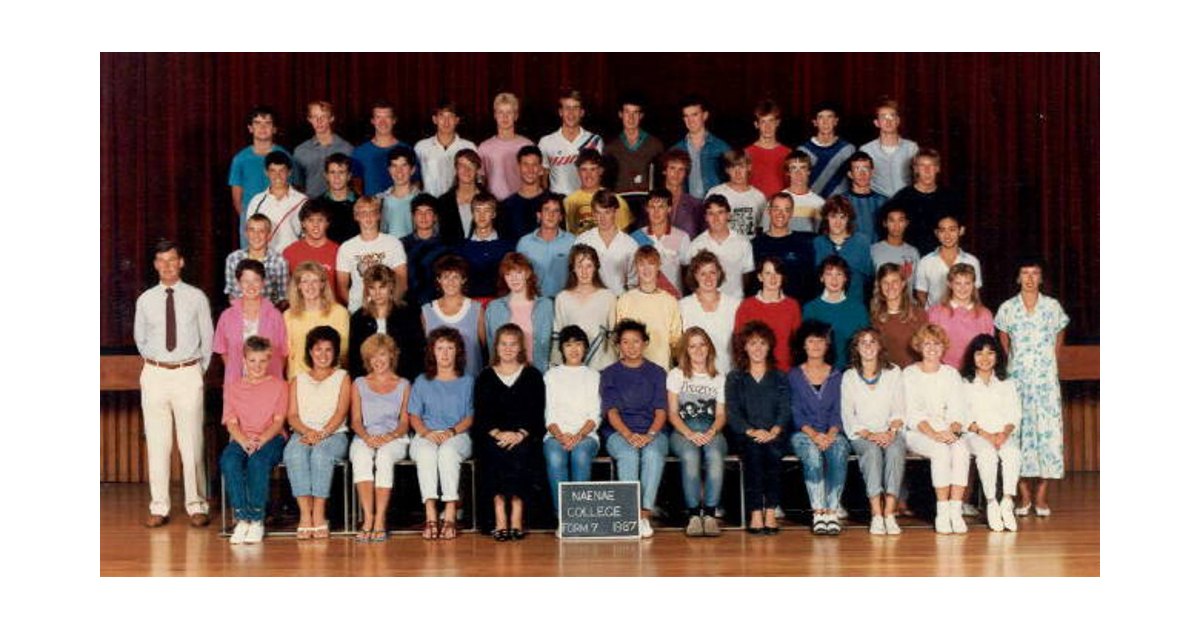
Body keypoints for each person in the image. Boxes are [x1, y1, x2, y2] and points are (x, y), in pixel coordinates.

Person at [134, 240, 213, 528]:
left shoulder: (196, 298)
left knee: (191, 442)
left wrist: (194, 371)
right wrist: (158, 365)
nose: (167, 265)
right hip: (155, 373)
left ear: (181, 262)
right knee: (158, 443)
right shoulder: (145, 300)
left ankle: (196, 504)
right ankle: (159, 505)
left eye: (172, 259)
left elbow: (208, 339)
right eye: (161, 260)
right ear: (155, 264)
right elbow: (140, 340)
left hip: (187, 372)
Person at [994, 257, 1069, 517]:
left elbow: (1060, 331)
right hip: (1018, 381)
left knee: (1048, 435)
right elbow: (1003, 335)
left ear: (1041, 278)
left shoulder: (1052, 307)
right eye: (1024, 273)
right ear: (1018, 277)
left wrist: (1052, 358)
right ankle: (1023, 496)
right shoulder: (1007, 308)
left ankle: (1041, 496)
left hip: (1046, 381)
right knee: (1019, 433)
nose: (1029, 278)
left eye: (1034, 273)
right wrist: (1013, 359)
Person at [473, 324, 546, 541]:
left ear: (520, 347)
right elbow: (481, 413)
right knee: (492, 452)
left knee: (521, 452)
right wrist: (498, 433)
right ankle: (499, 516)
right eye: (503, 344)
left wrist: (520, 434)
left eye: (513, 344)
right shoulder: (485, 376)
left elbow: (537, 412)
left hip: (524, 435)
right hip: (492, 435)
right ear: (495, 347)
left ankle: (516, 514)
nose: (507, 348)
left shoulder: (532, 375)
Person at [600, 319, 669, 539]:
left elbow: (661, 411)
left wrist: (649, 435)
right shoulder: (609, 373)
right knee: (629, 455)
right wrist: (629, 435)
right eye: (625, 342)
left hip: (653, 431)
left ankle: (644, 515)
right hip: (618, 432)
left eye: (636, 341)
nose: (631, 347)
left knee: (653, 455)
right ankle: (628, 515)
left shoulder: (657, 372)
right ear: (618, 345)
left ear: (645, 343)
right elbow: (611, 412)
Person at [284, 325, 351, 539]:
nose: (322, 355)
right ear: (310, 351)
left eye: (328, 350)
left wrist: (321, 434)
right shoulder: (297, 380)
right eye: (318, 349)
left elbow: (341, 412)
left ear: (335, 352)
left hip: (334, 434)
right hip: (302, 432)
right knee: (294, 453)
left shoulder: (343, 377)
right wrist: (307, 432)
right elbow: (292, 416)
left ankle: (319, 514)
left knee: (321, 454)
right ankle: (305, 514)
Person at [219, 335, 289, 544]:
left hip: (271, 438)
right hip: (241, 439)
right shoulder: (233, 387)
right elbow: (231, 422)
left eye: (262, 361)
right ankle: (242, 519)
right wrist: (244, 441)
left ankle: (257, 519)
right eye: (252, 361)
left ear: (269, 360)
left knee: (257, 462)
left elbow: (278, 421)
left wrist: (260, 441)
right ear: (244, 360)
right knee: (229, 461)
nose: (257, 366)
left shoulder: (280, 386)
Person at [408, 327, 475, 540]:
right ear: (432, 352)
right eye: (440, 348)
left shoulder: (468, 381)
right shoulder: (421, 380)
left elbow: (470, 416)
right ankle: (430, 515)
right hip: (426, 434)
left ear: (458, 352)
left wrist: (451, 431)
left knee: (447, 453)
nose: (445, 353)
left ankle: (450, 515)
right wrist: (426, 433)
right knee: (427, 454)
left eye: (450, 348)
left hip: (457, 435)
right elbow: (414, 416)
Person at [902, 323, 969, 534]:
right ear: (919, 347)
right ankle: (942, 511)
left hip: (946, 429)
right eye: (927, 343)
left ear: (944, 347)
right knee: (941, 451)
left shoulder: (951, 374)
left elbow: (958, 410)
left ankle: (955, 511)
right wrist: (934, 434)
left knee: (961, 450)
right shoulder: (909, 374)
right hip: (917, 431)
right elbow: (912, 413)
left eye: (937, 344)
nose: (932, 348)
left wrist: (953, 431)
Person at [725, 321, 790, 535]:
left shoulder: (779, 376)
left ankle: (770, 510)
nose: (758, 348)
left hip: (774, 434)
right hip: (745, 435)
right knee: (753, 452)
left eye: (762, 343)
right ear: (744, 346)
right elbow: (733, 414)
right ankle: (755, 512)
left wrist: (774, 430)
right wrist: (752, 432)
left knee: (772, 451)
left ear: (769, 346)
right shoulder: (734, 377)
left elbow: (784, 409)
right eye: (752, 343)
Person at [841, 327, 906, 535]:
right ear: (856, 348)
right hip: (862, 434)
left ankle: (890, 514)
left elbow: (899, 407)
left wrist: (891, 431)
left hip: (890, 431)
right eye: (863, 342)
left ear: (880, 347)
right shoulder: (849, 376)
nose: (868, 346)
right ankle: (876, 514)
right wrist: (870, 435)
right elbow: (848, 416)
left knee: (895, 451)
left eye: (872, 342)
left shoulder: (894, 372)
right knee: (872, 453)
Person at [787, 321, 849, 535]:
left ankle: (832, 512)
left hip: (833, 432)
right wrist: (814, 435)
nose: (815, 345)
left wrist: (831, 434)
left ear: (827, 346)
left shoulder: (837, 375)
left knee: (840, 450)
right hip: (803, 433)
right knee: (812, 455)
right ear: (803, 345)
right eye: (810, 341)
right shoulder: (794, 375)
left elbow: (839, 411)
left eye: (820, 341)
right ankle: (818, 513)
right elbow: (795, 412)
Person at [348, 334, 411, 541]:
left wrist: (389, 437)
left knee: (384, 458)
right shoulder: (359, 383)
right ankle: (368, 517)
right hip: (365, 436)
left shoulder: (404, 384)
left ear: (392, 355)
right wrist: (367, 438)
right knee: (360, 457)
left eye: (382, 354)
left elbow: (404, 423)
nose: (378, 360)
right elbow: (356, 420)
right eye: (372, 356)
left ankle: (380, 519)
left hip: (394, 438)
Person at [667, 327, 728, 537]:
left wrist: (711, 432)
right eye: (692, 346)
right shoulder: (676, 375)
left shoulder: (719, 378)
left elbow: (721, 415)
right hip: (683, 430)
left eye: (702, 344)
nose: (698, 349)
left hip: (711, 428)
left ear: (709, 347)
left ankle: (710, 515)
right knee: (690, 455)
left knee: (714, 455)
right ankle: (694, 515)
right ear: (685, 350)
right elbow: (673, 413)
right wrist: (689, 434)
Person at [960, 334, 1021, 532]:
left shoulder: (1006, 383)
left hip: (1003, 434)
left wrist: (1003, 434)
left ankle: (1007, 502)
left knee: (1012, 453)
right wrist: (987, 435)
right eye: (979, 353)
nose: (985, 358)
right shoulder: (964, 383)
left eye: (990, 353)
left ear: (997, 356)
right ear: (972, 356)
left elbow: (1014, 414)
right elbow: (963, 417)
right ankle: (992, 503)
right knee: (987, 455)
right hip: (976, 435)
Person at [543, 325, 603, 521]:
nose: (574, 349)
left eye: (578, 344)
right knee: (555, 456)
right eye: (568, 345)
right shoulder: (551, 375)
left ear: (585, 347)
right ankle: (564, 518)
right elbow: (549, 415)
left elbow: (595, 415)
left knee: (580, 454)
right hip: (556, 435)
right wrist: (561, 436)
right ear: (561, 349)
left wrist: (578, 436)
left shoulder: (593, 376)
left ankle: (580, 517)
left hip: (586, 436)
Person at [214, 259, 289, 390]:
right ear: (238, 284)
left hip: (269, 384)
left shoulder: (275, 316)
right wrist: (236, 374)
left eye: (256, 280)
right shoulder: (227, 316)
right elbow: (223, 351)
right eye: (245, 281)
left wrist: (269, 377)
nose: (251, 286)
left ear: (263, 283)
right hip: (237, 384)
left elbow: (283, 352)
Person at [348, 264, 425, 381]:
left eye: (382, 287)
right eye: (372, 288)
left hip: (404, 378)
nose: (377, 293)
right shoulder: (358, 318)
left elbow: (417, 354)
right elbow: (354, 359)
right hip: (368, 381)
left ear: (391, 286)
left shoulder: (408, 314)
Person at [229, 106, 291, 249]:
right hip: (252, 218)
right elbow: (237, 198)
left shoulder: (285, 156)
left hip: (280, 218)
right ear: (250, 128)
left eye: (268, 123)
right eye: (257, 123)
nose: (262, 127)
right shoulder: (241, 159)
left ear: (274, 129)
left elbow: (292, 189)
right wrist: (250, 219)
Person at [335, 196, 408, 312]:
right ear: (356, 217)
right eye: (363, 213)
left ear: (378, 215)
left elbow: (402, 281)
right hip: (358, 309)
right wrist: (356, 309)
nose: (368, 217)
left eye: (372, 212)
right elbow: (342, 286)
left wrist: (392, 306)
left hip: (388, 310)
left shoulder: (393, 243)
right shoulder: (346, 247)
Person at [614, 246, 682, 369]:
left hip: (660, 370)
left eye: (651, 264)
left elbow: (676, 342)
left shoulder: (670, 302)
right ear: (636, 267)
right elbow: (618, 339)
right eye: (641, 264)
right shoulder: (624, 300)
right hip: (629, 371)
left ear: (658, 266)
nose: (646, 269)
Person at [485, 252, 554, 372]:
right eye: (508, 274)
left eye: (518, 272)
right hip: (504, 375)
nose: (514, 279)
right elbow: (492, 348)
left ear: (527, 274)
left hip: (538, 373)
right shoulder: (494, 308)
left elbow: (553, 345)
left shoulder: (546, 306)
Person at [884, 148, 961, 255]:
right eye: (922, 166)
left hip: (940, 258)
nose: (927, 170)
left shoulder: (949, 197)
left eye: (931, 165)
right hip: (909, 258)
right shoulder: (902, 198)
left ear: (937, 168)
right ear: (915, 169)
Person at [552, 244, 617, 369]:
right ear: (573, 269)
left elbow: (614, 338)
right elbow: (558, 339)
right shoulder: (563, 298)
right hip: (574, 367)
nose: (584, 272)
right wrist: (556, 367)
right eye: (579, 266)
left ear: (595, 268)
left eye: (589, 266)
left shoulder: (608, 297)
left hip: (604, 365)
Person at [421, 254, 487, 377]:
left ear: (463, 279)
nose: (450, 282)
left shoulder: (477, 309)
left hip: (472, 381)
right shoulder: (427, 311)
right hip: (439, 385)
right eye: (446, 277)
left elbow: (486, 349)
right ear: (438, 280)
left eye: (456, 277)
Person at [284, 261, 350, 379]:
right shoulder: (288, 315)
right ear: (298, 286)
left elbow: (343, 352)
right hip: (298, 379)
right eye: (305, 281)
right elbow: (287, 353)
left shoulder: (340, 313)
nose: (310, 286)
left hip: (331, 378)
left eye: (315, 281)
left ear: (322, 284)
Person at [802, 255, 870, 369]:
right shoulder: (810, 309)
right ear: (821, 278)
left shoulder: (859, 309)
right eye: (829, 274)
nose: (834, 280)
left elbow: (866, 346)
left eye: (839, 274)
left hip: (851, 373)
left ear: (845, 278)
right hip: (818, 373)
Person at [735, 256, 803, 369]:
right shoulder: (747, 306)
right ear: (760, 277)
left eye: (777, 273)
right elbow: (739, 343)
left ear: (782, 277)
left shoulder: (792, 306)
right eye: (768, 273)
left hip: (784, 371)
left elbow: (798, 343)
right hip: (755, 372)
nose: (773, 278)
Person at [679, 251, 740, 373]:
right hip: (694, 378)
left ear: (719, 274)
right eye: (703, 274)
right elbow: (680, 347)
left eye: (712, 272)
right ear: (695, 276)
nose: (708, 278)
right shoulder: (683, 306)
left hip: (727, 374)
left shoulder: (735, 305)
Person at [750, 192, 817, 301]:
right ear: (769, 211)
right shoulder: (755, 244)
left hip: (795, 310)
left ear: (791, 213)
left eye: (786, 209)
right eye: (776, 209)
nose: (780, 214)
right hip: (763, 310)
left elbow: (810, 284)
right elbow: (751, 285)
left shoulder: (803, 244)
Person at [686, 194, 755, 298]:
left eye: (720, 212)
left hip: (735, 304)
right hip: (706, 305)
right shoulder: (696, 245)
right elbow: (691, 280)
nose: (716, 218)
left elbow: (747, 278)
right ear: (705, 217)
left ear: (728, 215)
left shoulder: (743, 243)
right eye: (711, 214)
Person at [927, 263, 994, 369]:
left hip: (974, 372)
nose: (963, 288)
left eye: (967, 283)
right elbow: (929, 347)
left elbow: (988, 350)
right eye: (958, 283)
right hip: (943, 371)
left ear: (974, 284)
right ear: (950, 284)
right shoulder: (935, 312)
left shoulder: (985, 315)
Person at [539, 88, 604, 195]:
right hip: (558, 205)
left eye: (575, 108)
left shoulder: (595, 140)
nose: (571, 113)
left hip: (586, 201)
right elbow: (543, 177)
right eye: (567, 108)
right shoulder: (546, 142)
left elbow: (599, 176)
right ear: (560, 112)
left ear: (582, 112)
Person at [812, 195, 874, 304]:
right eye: (833, 216)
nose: (838, 222)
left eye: (842, 217)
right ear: (826, 217)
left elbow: (869, 281)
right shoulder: (817, 243)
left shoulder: (862, 242)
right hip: (824, 308)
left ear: (849, 219)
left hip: (854, 307)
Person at [631, 187, 692, 297]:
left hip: (673, 298)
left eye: (661, 207)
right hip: (644, 298)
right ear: (646, 209)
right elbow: (631, 274)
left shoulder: (682, 237)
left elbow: (688, 275)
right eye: (652, 207)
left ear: (669, 209)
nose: (656, 212)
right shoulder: (635, 238)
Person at [575, 190, 638, 294]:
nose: (602, 218)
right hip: (590, 301)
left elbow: (634, 281)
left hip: (619, 301)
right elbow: (575, 276)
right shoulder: (582, 240)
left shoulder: (630, 244)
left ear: (615, 212)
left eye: (607, 212)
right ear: (593, 214)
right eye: (598, 213)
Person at [913, 213, 981, 309]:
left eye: (952, 230)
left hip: (964, 318)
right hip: (934, 320)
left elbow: (975, 294)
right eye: (942, 231)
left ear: (961, 231)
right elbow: (921, 294)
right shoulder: (925, 262)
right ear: (936, 233)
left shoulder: (972, 261)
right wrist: (933, 314)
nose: (947, 235)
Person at [245, 150, 307, 254]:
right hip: (266, 259)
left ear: (289, 172)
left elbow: (306, 235)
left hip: (292, 258)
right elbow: (250, 233)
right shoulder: (256, 201)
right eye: (273, 171)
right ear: (266, 172)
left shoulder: (302, 201)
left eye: (282, 171)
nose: (277, 176)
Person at [515, 194, 576, 298]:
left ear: (561, 217)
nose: (551, 215)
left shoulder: (572, 241)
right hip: (534, 302)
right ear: (539, 215)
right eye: (546, 210)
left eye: (556, 211)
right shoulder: (524, 243)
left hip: (565, 301)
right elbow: (518, 276)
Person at [457, 192, 516, 299]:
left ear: (494, 214)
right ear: (472, 214)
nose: (482, 215)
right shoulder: (462, 248)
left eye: (487, 210)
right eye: (477, 210)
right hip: (470, 304)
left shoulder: (508, 247)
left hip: (500, 304)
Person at [224, 213, 290, 307]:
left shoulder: (279, 262)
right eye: (252, 230)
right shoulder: (233, 259)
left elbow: (283, 298)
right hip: (240, 315)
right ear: (246, 233)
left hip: (269, 316)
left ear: (269, 235)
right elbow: (232, 294)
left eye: (261, 231)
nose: (256, 235)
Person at [604, 91, 664, 193]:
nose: (631, 118)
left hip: (648, 203)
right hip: (620, 203)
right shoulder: (611, 148)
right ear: (620, 114)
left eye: (635, 112)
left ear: (641, 116)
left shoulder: (655, 145)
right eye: (627, 112)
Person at [672, 95, 732, 198]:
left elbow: (732, 179)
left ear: (705, 116)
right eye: (686, 116)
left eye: (694, 115)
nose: (690, 120)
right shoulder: (676, 150)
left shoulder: (721, 147)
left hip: (713, 207)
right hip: (687, 206)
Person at [478, 92, 534, 201]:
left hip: (521, 203)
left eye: (509, 112)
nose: (505, 117)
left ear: (516, 116)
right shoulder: (484, 148)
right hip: (494, 205)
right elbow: (481, 182)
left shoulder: (527, 145)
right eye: (500, 112)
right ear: (495, 115)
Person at [414, 100, 477, 197]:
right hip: (430, 206)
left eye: (450, 116)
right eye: (441, 116)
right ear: (435, 119)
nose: (446, 121)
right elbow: (415, 180)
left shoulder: (469, 146)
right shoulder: (421, 147)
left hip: (459, 203)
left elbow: (477, 179)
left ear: (457, 120)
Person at [870, 262, 928, 369]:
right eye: (885, 282)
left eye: (895, 282)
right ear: (879, 285)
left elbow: (926, 350)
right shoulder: (874, 316)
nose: (890, 287)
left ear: (903, 284)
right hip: (885, 375)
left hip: (912, 375)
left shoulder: (919, 315)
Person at [400, 193, 452, 308]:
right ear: (413, 217)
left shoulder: (446, 246)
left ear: (435, 217)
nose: (423, 217)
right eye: (419, 213)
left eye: (428, 212)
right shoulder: (402, 245)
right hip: (409, 305)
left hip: (440, 304)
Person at [859, 97, 919, 198]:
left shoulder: (911, 148)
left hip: (905, 202)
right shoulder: (866, 150)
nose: (888, 121)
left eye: (892, 116)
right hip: (877, 204)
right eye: (883, 117)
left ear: (898, 121)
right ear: (877, 123)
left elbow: (918, 179)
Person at [350, 100, 412, 197]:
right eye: (378, 117)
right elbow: (355, 185)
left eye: (387, 117)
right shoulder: (360, 152)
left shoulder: (407, 149)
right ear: (372, 121)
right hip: (371, 210)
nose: (383, 122)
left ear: (394, 120)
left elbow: (415, 182)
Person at [293, 100, 354, 198]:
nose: (319, 121)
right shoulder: (300, 151)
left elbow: (354, 182)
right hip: (312, 205)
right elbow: (297, 184)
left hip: (339, 203)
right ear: (309, 119)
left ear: (331, 118)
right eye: (315, 117)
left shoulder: (347, 149)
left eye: (323, 117)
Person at [564, 149, 633, 233]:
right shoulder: (568, 202)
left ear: (600, 171)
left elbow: (623, 236)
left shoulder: (617, 201)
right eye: (584, 169)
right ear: (578, 172)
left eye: (593, 169)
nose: (588, 175)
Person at [799, 101, 856, 199]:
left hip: (840, 206)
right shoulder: (803, 150)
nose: (825, 122)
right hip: (812, 204)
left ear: (836, 121)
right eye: (821, 117)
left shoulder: (848, 149)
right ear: (815, 122)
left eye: (829, 117)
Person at [706, 148, 766, 238]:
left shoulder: (759, 196)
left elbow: (761, 227)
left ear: (749, 167)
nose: (738, 173)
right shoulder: (715, 192)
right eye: (733, 167)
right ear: (727, 170)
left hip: (749, 248)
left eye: (741, 167)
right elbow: (706, 224)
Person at [282, 201, 339, 291]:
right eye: (310, 220)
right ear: (303, 223)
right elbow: (286, 290)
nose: (315, 225)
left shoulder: (339, 252)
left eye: (320, 220)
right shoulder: (289, 252)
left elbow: (343, 289)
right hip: (300, 304)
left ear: (327, 223)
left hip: (331, 304)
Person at [499, 145, 551, 240]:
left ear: (540, 168)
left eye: (534, 165)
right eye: (525, 164)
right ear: (518, 167)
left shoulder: (552, 202)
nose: (530, 170)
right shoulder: (507, 206)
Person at [435, 148, 485, 246]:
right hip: (452, 258)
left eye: (472, 165)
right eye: (462, 165)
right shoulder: (443, 202)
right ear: (456, 169)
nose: (467, 170)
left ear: (477, 170)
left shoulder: (489, 199)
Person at [869, 204, 920, 291]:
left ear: (906, 223)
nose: (896, 225)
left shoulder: (913, 252)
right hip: (881, 303)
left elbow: (916, 285)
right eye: (892, 220)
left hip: (907, 303)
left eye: (901, 220)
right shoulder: (873, 250)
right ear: (885, 223)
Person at [745, 99, 789, 196]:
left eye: (771, 121)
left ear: (777, 123)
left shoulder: (788, 153)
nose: (767, 127)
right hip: (754, 205)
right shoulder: (746, 153)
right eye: (763, 122)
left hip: (780, 207)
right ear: (756, 125)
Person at [659, 149, 706, 238]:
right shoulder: (651, 202)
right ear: (664, 171)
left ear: (686, 174)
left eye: (681, 169)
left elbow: (702, 236)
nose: (676, 173)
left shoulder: (696, 205)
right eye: (672, 168)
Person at [377, 144, 420, 240]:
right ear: (389, 170)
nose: (399, 171)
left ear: (412, 170)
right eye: (394, 166)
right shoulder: (379, 200)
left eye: (404, 166)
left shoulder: (422, 199)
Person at [845, 151, 888, 246]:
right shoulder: (842, 201)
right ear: (850, 174)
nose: (862, 173)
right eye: (857, 169)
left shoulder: (884, 202)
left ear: (872, 172)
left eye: (866, 168)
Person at [777, 151, 825, 234]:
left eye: (803, 168)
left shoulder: (820, 203)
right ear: (788, 172)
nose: (798, 173)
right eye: (793, 168)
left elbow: (821, 237)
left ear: (809, 171)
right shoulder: (777, 201)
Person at [318, 153, 359, 244]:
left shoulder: (360, 204)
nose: (336, 177)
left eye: (341, 172)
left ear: (349, 176)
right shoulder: (317, 205)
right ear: (326, 176)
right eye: (332, 172)